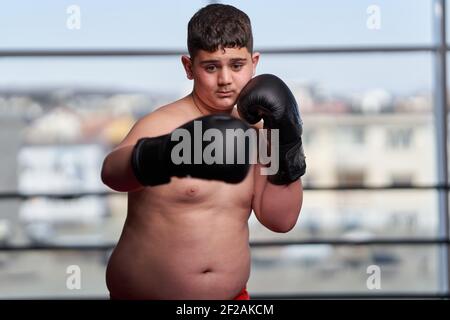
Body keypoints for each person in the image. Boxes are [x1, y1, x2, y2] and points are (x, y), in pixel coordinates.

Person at [101, 3, 306, 300]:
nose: (225, 79)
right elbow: (111, 174)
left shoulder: (263, 133)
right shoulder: (164, 123)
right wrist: (169, 152)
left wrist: (287, 142)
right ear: (188, 67)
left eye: (236, 65)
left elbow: (280, 220)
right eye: (211, 67)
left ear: (254, 62)